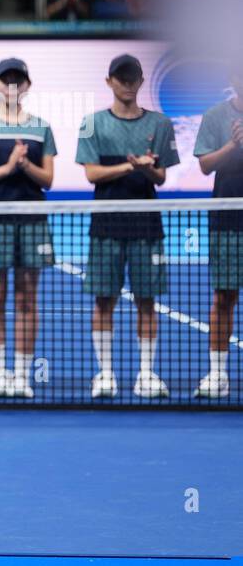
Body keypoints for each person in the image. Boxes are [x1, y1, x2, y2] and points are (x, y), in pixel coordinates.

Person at [76, 54, 179, 398]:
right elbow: (91, 173)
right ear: (109, 82)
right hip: (106, 224)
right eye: (121, 78)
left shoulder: (160, 125)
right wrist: (129, 166)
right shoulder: (92, 124)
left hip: (146, 225)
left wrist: (147, 168)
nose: (127, 83)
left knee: (145, 301)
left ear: (140, 81)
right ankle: (105, 374)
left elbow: (161, 177)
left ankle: (146, 374)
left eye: (132, 77)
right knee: (104, 301)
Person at [0, 58, 57, 398]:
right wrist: (7, 167)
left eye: (18, 81)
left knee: (27, 300)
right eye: (6, 80)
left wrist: (26, 164)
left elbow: (47, 179)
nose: (12, 86)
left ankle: (22, 375)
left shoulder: (41, 128)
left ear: (28, 86)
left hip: (31, 220)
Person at [190, 63, 243, 398]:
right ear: (233, 81)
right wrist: (233, 146)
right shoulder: (214, 116)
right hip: (226, 218)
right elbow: (206, 164)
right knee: (224, 297)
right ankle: (217, 375)